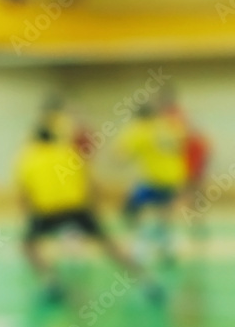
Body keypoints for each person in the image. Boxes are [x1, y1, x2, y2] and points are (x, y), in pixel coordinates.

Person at [16, 126, 162, 304]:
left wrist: (27, 214)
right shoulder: (68, 152)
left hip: (47, 210)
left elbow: (25, 191)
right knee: (111, 247)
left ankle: (51, 283)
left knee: (28, 246)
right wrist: (94, 208)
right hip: (78, 208)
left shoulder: (28, 157)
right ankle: (147, 281)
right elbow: (90, 183)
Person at [117, 102, 188, 267]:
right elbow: (180, 144)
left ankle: (141, 247)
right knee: (164, 214)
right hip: (173, 178)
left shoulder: (139, 130)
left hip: (153, 180)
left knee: (129, 209)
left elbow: (122, 156)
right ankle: (167, 249)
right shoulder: (166, 126)